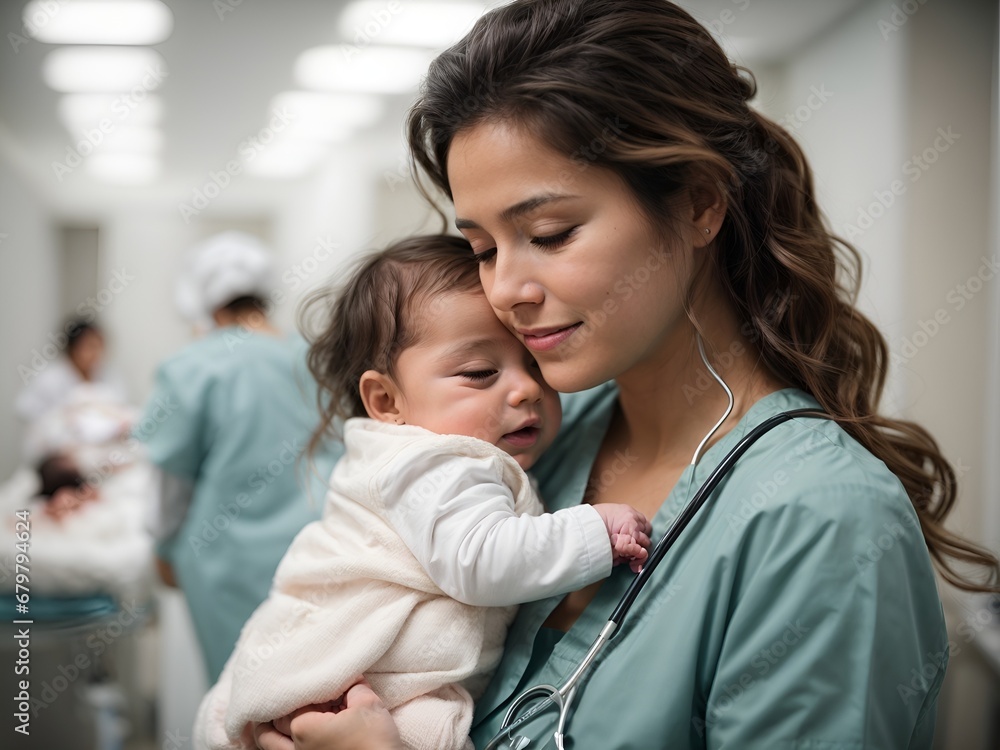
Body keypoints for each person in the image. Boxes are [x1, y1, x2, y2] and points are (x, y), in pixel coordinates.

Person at [254, 1, 1000, 749]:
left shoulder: (822, 521)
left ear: (701, 203)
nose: (506, 289)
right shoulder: (544, 437)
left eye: (550, 234)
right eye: (483, 249)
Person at [194, 235, 652, 750]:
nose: (525, 389)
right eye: (480, 373)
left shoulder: (428, 451)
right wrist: (594, 530)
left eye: (536, 366)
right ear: (386, 400)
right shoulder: (434, 462)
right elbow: (480, 557)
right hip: (357, 684)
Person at [141, 231, 338, 682]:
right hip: (318, 551)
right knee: (316, 687)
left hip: (222, 563)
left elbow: (170, 479)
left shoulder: (192, 366)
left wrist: (162, 547)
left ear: (206, 305)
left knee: (241, 695)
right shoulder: (312, 358)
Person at [16, 319, 129, 461]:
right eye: (90, 347)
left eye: (99, 346)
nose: (96, 353)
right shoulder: (51, 378)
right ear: (73, 348)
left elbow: (119, 409)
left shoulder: (108, 375)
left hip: (95, 453)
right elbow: (26, 410)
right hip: (54, 455)